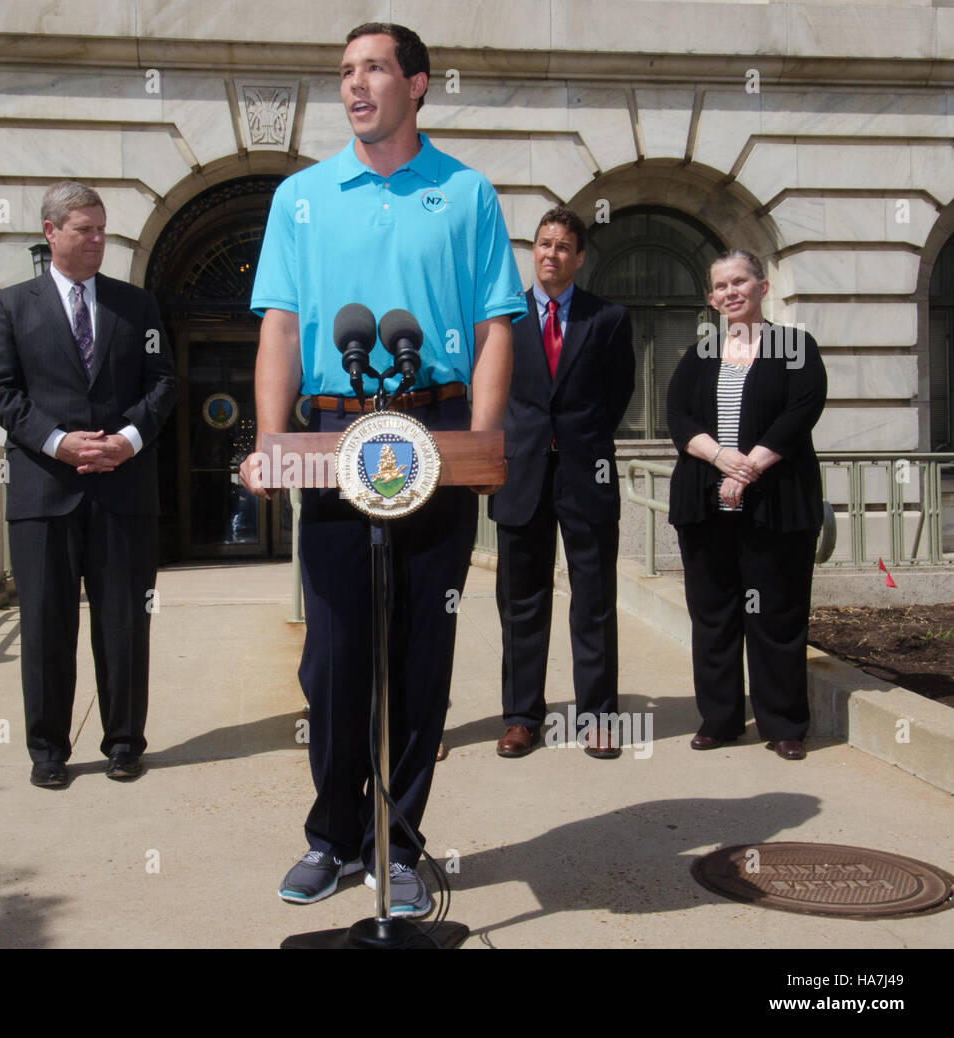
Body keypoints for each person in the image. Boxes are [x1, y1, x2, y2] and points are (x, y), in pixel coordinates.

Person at [241, 22, 524, 917]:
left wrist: (479, 448)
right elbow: (280, 329)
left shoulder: (469, 195)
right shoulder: (301, 197)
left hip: (434, 437)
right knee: (332, 658)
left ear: (419, 84)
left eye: (373, 69)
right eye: (345, 73)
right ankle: (332, 836)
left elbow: (492, 330)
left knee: (419, 653)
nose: (356, 86)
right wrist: (268, 440)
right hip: (331, 439)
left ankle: (398, 843)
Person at [0, 181, 176, 786]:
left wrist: (127, 440)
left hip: (123, 492)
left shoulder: (136, 306)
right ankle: (47, 752)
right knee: (45, 627)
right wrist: (58, 442)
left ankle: (124, 744)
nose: (97, 240)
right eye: (84, 229)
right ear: (51, 232)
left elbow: (163, 382)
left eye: (101, 229)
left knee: (123, 625)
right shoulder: (11, 306)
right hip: (43, 493)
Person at [666, 249, 827, 760]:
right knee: (713, 616)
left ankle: (783, 725)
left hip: (775, 506)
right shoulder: (700, 353)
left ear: (762, 287)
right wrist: (722, 460)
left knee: (776, 615)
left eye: (741, 281)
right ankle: (719, 719)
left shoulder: (794, 347)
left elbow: (801, 412)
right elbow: (678, 417)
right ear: (712, 298)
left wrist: (749, 468)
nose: (731, 292)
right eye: (721, 286)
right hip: (706, 506)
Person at [490, 206, 634, 760]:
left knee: (593, 601)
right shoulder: (504, 317)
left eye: (563, 247)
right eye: (544, 244)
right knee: (521, 602)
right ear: (535, 251)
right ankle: (523, 716)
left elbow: (617, 394)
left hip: (586, 474)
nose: (552, 254)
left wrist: (579, 440)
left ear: (579, 257)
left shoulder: (609, 318)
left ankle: (596, 716)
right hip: (521, 474)